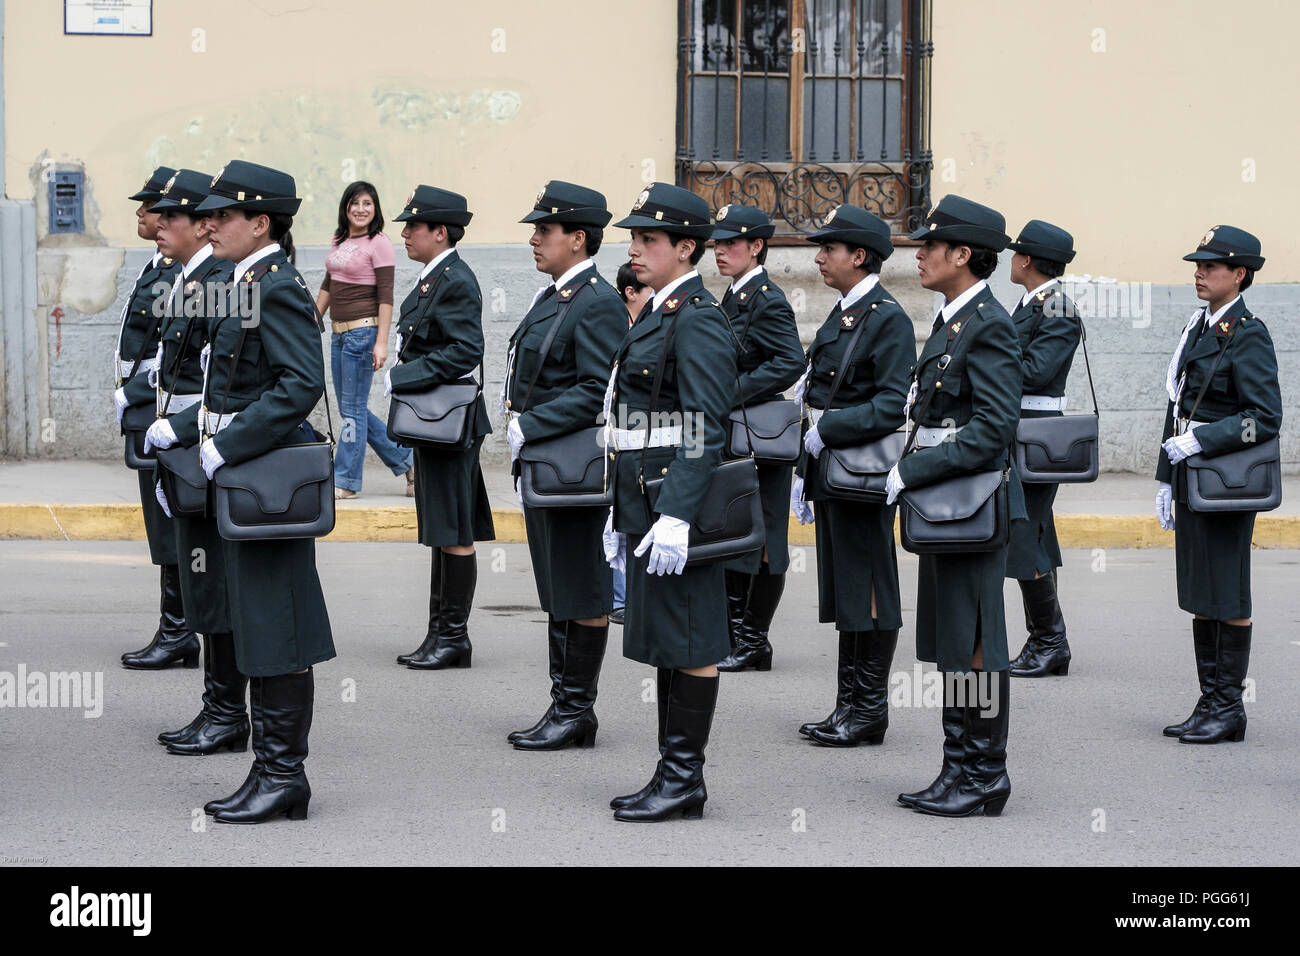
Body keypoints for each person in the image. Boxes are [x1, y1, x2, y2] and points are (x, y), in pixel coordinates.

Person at [188, 160, 336, 822]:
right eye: (208, 214)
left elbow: (299, 384)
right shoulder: (244, 281)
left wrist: (225, 446)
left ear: (260, 224)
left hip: (265, 480)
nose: (208, 223)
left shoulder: (274, 287)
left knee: (277, 623)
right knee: (257, 619)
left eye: (222, 216)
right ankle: (272, 771)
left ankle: (284, 776)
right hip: (246, 477)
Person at [889, 195, 1025, 817]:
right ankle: (956, 767)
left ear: (962, 255)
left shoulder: (989, 324)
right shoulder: (953, 319)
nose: (918, 255)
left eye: (929, 245)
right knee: (952, 638)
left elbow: (993, 429)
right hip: (946, 502)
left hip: (972, 502)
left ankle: (985, 774)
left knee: (976, 642)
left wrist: (912, 468)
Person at [604, 182, 735, 821]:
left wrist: (678, 511)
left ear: (686, 248)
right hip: (647, 500)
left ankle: (684, 779)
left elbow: (705, 423)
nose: (635, 249)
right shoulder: (661, 311)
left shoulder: (698, 319)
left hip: (674, 504)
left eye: (648, 239)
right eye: (633, 238)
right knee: (669, 640)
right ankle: (672, 772)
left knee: (690, 637)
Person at [502, 182, 627, 750]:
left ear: (577, 239)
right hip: (548, 466)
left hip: (574, 467)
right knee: (557, 584)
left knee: (580, 586)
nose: (534, 239)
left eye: (544, 231)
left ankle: (576, 709)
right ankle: (566, 703)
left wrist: (532, 422)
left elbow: (598, 389)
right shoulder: (556, 295)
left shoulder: (596, 301)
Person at [793, 204, 914, 745]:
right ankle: (848, 705)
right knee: (848, 589)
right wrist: (806, 463)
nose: (819, 258)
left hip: (861, 475)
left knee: (869, 589)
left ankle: (868, 711)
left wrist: (830, 431)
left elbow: (891, 407)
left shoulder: (886, 317)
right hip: (833, 471)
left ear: (858, 256)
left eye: (829, 249)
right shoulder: (846, 311)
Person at [1156, 226, 1281, 744]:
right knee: (1202, 592)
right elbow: (1178, 404)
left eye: (1212, 266)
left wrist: (1204, 441)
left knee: (1227, 593)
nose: (1200, 273)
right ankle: (1211, 702)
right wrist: (1166, 476)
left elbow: (1264, 418)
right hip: (1192, 477)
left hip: (1224, 482)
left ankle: (1228, 708)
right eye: (1199, 265)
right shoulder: (1200, 326)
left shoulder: (1247, 332)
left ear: (1240, 274)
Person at [137, 169, 245, 756]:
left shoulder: (223, 283)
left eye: (170, 217)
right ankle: (219, 708)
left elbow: (228, 382)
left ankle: (226, 714)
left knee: (213, 579)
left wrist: (183, 430)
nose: (159, 225)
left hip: (204, 441)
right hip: (187, 439)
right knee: (200, 572)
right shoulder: (191, 278)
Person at [388, 185, 495, 670]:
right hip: (436, 423)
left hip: (450, 422)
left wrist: (402, 375)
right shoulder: (436, 276)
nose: (406, 233)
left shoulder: (455, 279)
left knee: (453, 531)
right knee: (442, 529)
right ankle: (440, 634)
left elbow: (465, 349)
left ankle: (453, 637)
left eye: (414, 226)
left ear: (441, 232)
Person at [711, 204, 804, 672]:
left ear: (756, 247)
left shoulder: (766, 297)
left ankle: (753, 640)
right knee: (738, 529)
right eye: (717, 243)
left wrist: (731, 393)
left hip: (760, 438)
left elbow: (790, 361)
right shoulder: (734, 295)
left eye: (730, 243)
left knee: (764, 536)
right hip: (738, 434)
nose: (720, 251)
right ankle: (735, 635)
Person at [115, 167, 194, 670]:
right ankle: (176, 628)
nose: (145, 216)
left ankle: (179, 631)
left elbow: (178, 357)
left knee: (171, 523)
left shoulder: (177, 274)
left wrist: (138, 390)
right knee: (161, 520)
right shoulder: (157, 266)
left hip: (164, 409)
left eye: (157, 210)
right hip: (148, 407)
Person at [1003, 221, 1081, 678]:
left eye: (1016, 254)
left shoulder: (1057, 309)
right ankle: (1049, 639)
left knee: (1023, 531)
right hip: (1022, 429)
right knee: (1034, 530)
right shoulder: (1033, 303)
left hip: (1035, 432)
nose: (1011, 260)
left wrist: (986, 358)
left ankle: (1049, 641)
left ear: (1027, 260)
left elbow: (1035, 370)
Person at [315, 181, 413, 499]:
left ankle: (345, 481)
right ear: (346, 208)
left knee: (352, 409)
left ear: (375, 209)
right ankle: (409, 461)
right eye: (355, 203)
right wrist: (312, 319)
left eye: (367, 203)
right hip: (339, 334)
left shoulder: (380, 243)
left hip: (362, 332)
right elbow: (329, 283)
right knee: (351, 408)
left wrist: (381, 342)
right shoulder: (340, 239)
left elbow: (386, 297)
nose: (361, 209)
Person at [609, 261, 654, 625]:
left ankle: (625, 595)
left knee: (624, 523)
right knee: (613, 524)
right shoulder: (618, 327)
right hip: (610, 436)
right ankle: (619, 596)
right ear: (631, 293)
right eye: (648, 292)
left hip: (633, 440)